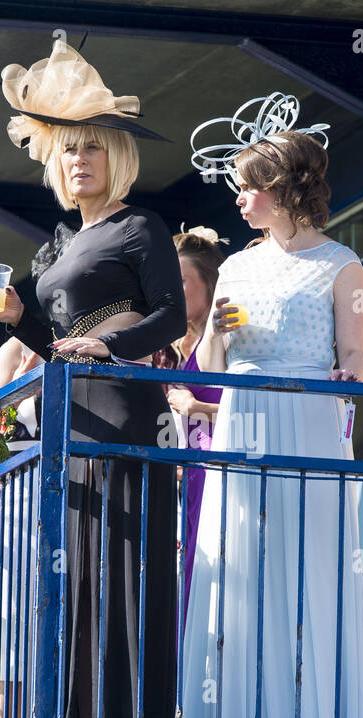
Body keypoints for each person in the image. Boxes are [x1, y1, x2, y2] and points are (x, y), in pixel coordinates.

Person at [0, 39, 184, 718]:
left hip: (127, 417)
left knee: (128, 571)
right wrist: (19, 321)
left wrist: (114, 345)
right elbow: (61, 344)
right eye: (68, 151)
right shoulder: (65, 245)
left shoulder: (140, 226)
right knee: (79, 578)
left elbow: (173, 317)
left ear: (115, 157)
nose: (80, 161)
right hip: (75, 423)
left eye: (93, 149)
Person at [179, 95, 363, 718]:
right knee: (243, 571)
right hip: (245, 420)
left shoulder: (341, 264)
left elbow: (357, 355)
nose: (238, 201)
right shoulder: (234, 267)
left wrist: (350, 377)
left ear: (279, 190)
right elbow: (209, 368)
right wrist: (215, 335)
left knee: (315, 568)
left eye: (247, 189)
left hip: (311, 421)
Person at [164, 227, 226, 622]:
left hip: (222, 468)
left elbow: (254, 408)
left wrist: (195, 406)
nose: (172, 290)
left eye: (182, 280)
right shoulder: (173, 348)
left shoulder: (229, 336)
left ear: (209, 283)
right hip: (189, 475)